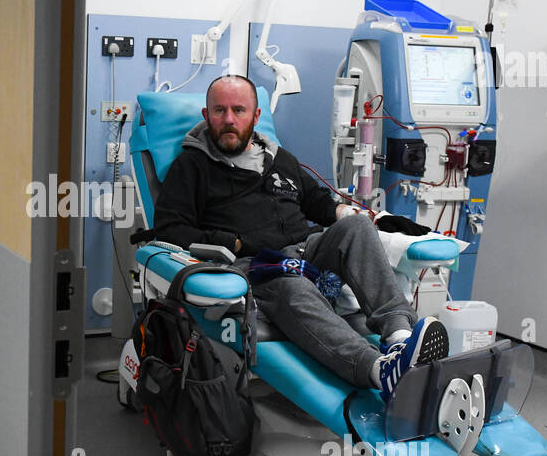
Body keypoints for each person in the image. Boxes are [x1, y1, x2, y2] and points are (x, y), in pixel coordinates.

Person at [152, 74, 449, 403]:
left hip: (307, 249)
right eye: (219, 111)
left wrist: (354, 215)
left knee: (357, 228)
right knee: (291, 284)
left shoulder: (280, 160)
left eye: (239, 110)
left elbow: (317, 202)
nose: (229, 120)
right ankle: (378, 371)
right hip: (257, 266)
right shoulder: (191, 167)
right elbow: (168, 229)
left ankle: (399, 338)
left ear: (256, 116)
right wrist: (230, 241)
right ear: (206, 117)